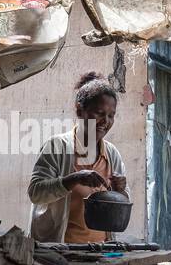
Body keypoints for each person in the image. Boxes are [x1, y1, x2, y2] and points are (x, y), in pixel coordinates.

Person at [28, 71, 128, 243]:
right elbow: (36, 193)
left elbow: (122, 205)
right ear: (80, 111)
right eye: (99, 113)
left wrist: (120, 191)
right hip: (60, 253)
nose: (106, 121)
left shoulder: (112, 155)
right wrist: (73, 179)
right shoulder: (56, 147)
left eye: (111, 115)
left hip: (100, 253)